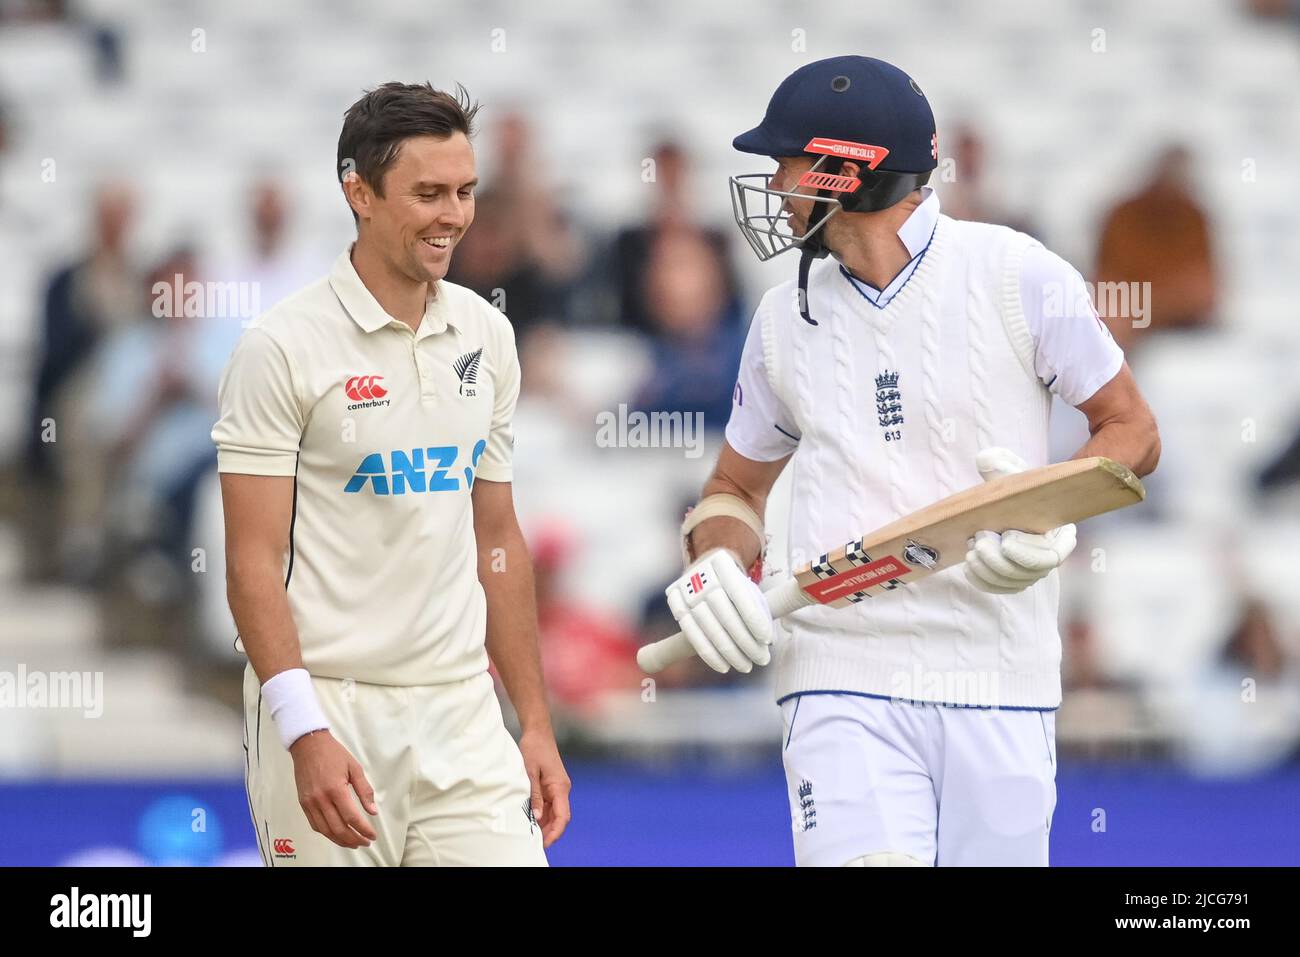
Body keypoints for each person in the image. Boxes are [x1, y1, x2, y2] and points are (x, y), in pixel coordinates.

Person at [664, 56, 1161, 866]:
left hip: (1000, 674)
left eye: (783, 165)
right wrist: (714, 560)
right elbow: (733, 488)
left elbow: (1133, 429)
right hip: (837, 669)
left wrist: (1045, 515)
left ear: (840, 172)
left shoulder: (1016, 273)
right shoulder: (780, 319)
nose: (773, 187)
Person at [212, 82, 569, 866]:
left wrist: (534, 722)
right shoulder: (280, 347)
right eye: (429, 193)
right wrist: (302, 729)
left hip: (463, 711)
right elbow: (249, 564)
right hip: (329, 705)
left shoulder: (488, 334)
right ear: (359, 193)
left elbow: (498, 540)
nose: (453, 215)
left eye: (466, 192)